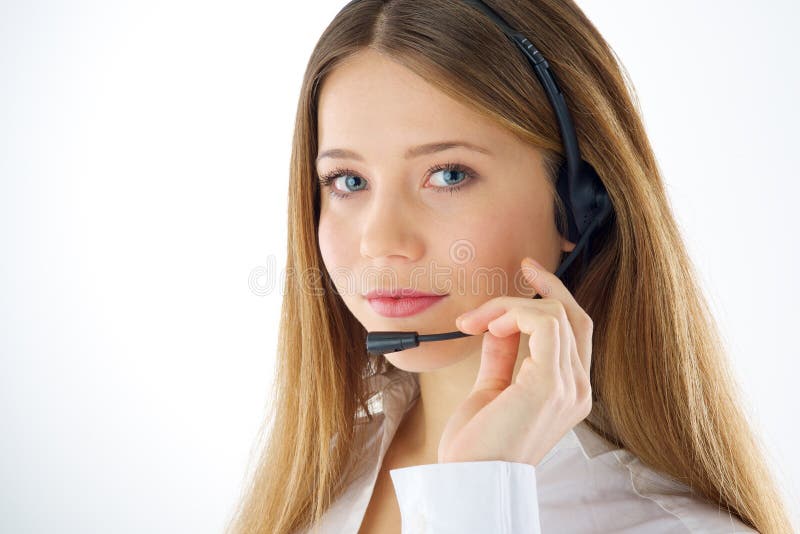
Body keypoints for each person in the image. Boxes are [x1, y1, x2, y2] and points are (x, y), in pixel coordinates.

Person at [224, 1, 793, 533]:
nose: (380, 242)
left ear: (579, 204)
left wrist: (481, 492)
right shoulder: (308, 490)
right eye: (348, 181)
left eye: (448, 175)